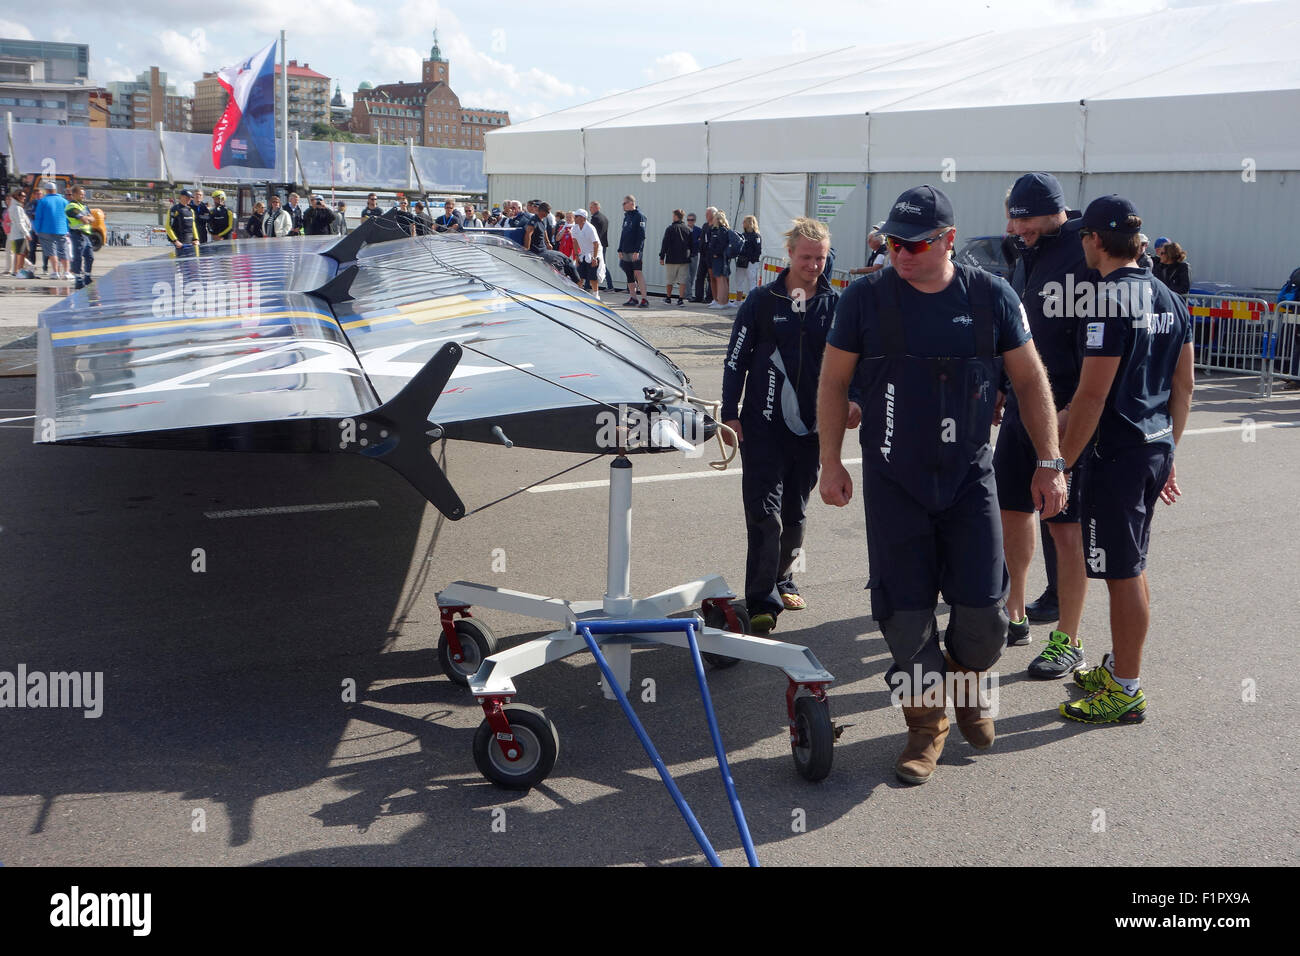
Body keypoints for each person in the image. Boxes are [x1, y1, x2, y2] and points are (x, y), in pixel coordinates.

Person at [817, 184, 1067, 786]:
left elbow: (1031, 382)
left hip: (968, 481)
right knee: (904, 619)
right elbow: (831, 382)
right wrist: (830, 461)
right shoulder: (864, 300)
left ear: (948, 240)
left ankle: (968, 679)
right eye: (892, 243)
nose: (899, 254)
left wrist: (1050, 459)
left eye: (915, 244)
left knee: (985, 622)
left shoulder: (991, 297)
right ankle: (925, 724)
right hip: (893, 481)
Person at [1057, 195, 1195, 724]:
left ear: (1094, 239)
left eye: (1083, 237)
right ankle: (1120, 668)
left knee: (1120, 571)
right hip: (1153, 446)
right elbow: (1184, 385)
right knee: (1130, 565)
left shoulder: (1107, 299)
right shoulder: (1169, 295)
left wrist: (1059, 463)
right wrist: (1170, 449)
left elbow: (1093, 396)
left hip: (1117, 454)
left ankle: (1128, 688)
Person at [722, 217, 854, 636]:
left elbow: (857, 360)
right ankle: (761, 599)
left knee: (795, 513)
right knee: (766, 514)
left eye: (820, 258)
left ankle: (783, 578)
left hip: (813, 430)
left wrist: (857, 401)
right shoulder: (762, 301)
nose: (814, 264)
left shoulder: (834, 306)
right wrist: (730, 412)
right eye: (806, 257)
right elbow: (735, 358)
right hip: (761, 427)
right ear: (790, 256)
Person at [995, 172, 1093, 679]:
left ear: (1055, 210)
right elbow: (1012, 330)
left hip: (1067, 414)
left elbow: (1106, 347)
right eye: (1013, 216)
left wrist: (1074, 413)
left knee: (1066, 526)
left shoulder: (1088, 250)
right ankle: (1014, 610)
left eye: (1025, 217)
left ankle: (1069, 639)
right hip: (1020, 405)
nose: (1016, 226)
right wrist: (997, 386)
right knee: (1012, 508)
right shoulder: (1025, 251)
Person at [32, 180, 71, 278]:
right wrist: (67, 229)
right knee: (63, 250)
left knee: (51, 251)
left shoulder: (43, 201)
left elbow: (38, 217)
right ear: (55, 190)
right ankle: (66, 272)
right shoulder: (64, 201)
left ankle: (55, 272)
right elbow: (68, 217)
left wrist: (37, 229)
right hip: (61, 229)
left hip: (45, 229)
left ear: (47, 190)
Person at [618, 195, 648, 308]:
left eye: (624, 203)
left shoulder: (639, 216)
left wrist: (638, 251)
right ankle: (633, 298)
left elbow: (641, 235)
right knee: (629, 274)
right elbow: (623, 234)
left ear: (631, 203)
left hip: (635, 251)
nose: (623, 206)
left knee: (638, 273)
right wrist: (620, 249)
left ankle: (644, 299)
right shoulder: (626, 217)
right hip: (625, 250)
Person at [64, 185, 96, 288]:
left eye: (83, 194)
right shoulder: (71, 207)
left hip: (86, 235)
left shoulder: (83, 206)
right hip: (77, 234)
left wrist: (87, 218)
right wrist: (87, 218)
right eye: (81, 194)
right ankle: (78, 279)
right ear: (74, 195)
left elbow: (93, 219)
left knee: (90, 257)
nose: (83, 196)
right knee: (78, 257)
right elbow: (85, 220)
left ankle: (87, 277)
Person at [659, 208, 692, 305]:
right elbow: (691, 245)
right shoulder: (688, 229)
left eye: (673, 216)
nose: (672, 217)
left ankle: (668, 298)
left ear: (676, 216)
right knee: (682, 280)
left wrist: (662, 257)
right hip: (684, 259)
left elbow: (665, 244)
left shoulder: (670, 229)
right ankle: (680, 299)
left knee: (670, 280)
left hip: (672, 258)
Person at [571, 208, 603, 296]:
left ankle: (596, 295)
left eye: (576, 216)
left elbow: (596, 244)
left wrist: (594, 258)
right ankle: (579, 294)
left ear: (583, 218)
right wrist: (576, 257)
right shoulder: (575, 228)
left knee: (593, 277)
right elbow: (575, 242)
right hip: (583, 254)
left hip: (593, 253)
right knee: (579, 276)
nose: (574, 218)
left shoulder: (590, 228)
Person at [707, 210, 735, 309]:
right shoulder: (718, 230)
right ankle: (723, 301)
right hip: (719, 258)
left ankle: (722, 302)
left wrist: (715, 253)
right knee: (721, 279)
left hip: (720, 258)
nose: (713, 220)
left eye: (715, 218)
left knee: (721, 279)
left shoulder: (722, 230)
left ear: (718, 220)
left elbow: (722, 245)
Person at [5, 188, 33, 277]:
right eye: (22, 196)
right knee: (20, 253)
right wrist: (27, 233)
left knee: (20, 252)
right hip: (19, 234)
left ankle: (17, 271)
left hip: (17, 233)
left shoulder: (16, 206)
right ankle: (18, 271)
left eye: (25, 196)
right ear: (17, 196)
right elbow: (20, 222)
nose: (24, 198)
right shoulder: (16, 208)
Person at [734, 215, 762, 300]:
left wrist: (751, 260)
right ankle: (738, 301)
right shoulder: (742, 235)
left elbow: (758, 250)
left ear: (750, 223)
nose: (743, 223)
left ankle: (751, 301)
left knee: (752, 282)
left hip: (751, 263)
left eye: (744, 221)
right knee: (739, 281)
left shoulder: (756, 236)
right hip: (741, 262)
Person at [692, 207, 716, 304]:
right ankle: (699, 296)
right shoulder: (705, 225)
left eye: (708, 214)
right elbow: (701, 238)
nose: (706, 215)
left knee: (710, 277)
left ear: (713, 215)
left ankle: (709, 297)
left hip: (711, 255)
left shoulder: (715, 226)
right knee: (700, 276)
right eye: (706, 213)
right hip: (703, 255)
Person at [589, 201, 614, 292]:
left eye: (591, 207)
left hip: (597, 245)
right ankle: (610, 285)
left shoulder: (595, 218)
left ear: (596, 207)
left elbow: (594, 234)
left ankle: (610, 286)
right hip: (603, 244)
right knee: (601, 264)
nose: (590, 210)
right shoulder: (605, 218)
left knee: (595, 263)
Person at [166, 188, 197, 258]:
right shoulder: (174, 209)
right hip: (179, 243)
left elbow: (193, 226)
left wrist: (196, 239)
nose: (189, 199)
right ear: (182, 197)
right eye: (187, 197)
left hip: (190, 243)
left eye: (190, 198)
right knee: (180, 265)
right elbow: (168, 226)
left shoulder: (191, 210)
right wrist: (175, 241)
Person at [685, 212, 702, 301]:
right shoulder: (684, 229)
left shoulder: (699, 230)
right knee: (686, 276)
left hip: (694, 255)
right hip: (685, 256)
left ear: (694, 221)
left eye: (691, 220)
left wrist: (696, 242)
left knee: (692, 276)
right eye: (688, 220)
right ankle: (688, 295)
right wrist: (696, 241)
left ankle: (687, 293)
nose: (689, 221)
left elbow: (700, 243)